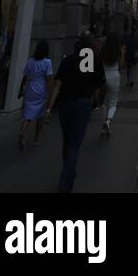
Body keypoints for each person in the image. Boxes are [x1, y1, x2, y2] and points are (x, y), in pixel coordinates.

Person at [45, 36, 106, 193]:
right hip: (83, 105)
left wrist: (49, 108)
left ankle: (68, 172)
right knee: (74, 143)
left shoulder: (68, 60)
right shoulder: (94, 62)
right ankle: (66, 180)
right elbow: (99, 85)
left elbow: (58, 84)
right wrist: (98, 103)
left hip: (65, 105)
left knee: (68, 140)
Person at [18, 40, 53, 149]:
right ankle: (36, 139)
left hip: (30, 89)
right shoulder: (47, 62)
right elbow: (49, 78)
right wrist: (49, 92)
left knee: (28, 113)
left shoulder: (30, 61)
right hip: (41, 89)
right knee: (40, 116)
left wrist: (21, 89)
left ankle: (22, 130)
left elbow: (25, 76)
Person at [99, 34, 123, 137]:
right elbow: (122, 65)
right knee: (113, 102)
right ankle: (108, 121)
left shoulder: (103, 50)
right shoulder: (119, 50)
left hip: (103, 75)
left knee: (104, 102)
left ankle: (104, 126)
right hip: (114, 75)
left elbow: (99, 63)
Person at [123, 24, 138, 89]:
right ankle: (130, 80)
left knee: (129, 68)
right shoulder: (136, 38)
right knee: (131, 68)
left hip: (129, 55)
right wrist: (136, 53)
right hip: (131, 55)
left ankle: (129, 80)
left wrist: (136, 53)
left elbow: (124, 46)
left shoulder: (128, 37)